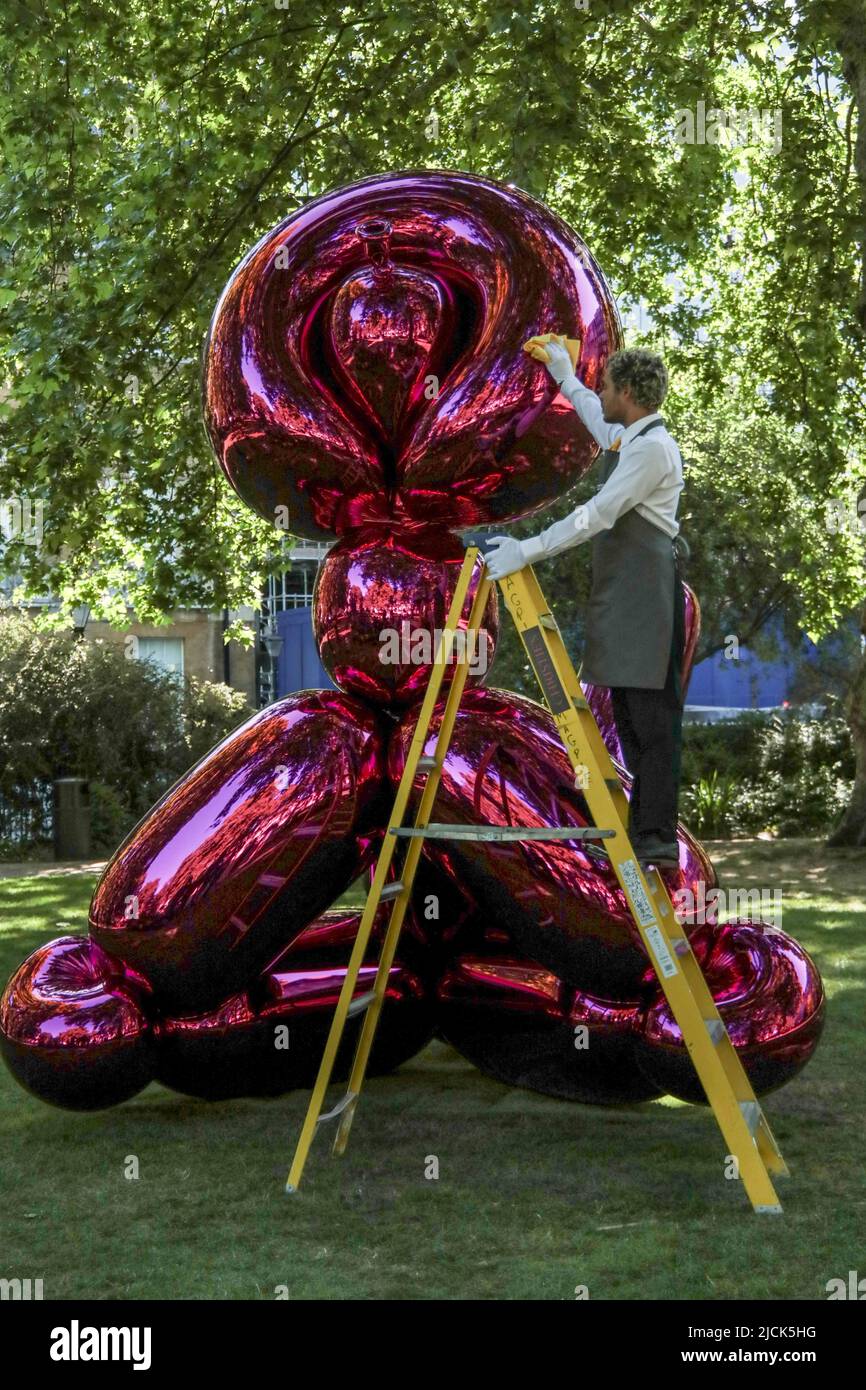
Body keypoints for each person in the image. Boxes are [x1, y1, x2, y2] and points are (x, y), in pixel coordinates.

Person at [485, 342, 687, 871]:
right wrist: (565, 376)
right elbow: (601, 425)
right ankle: (644, 833)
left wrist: (525, 550)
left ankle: (657, 840)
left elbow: (595, 516)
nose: (601, 393)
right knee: (630, 718)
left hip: (646, 598)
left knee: (652, 723)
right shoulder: (634, 438)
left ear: (627, 392)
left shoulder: (652, 451)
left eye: (605, 386)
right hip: (630, 597)